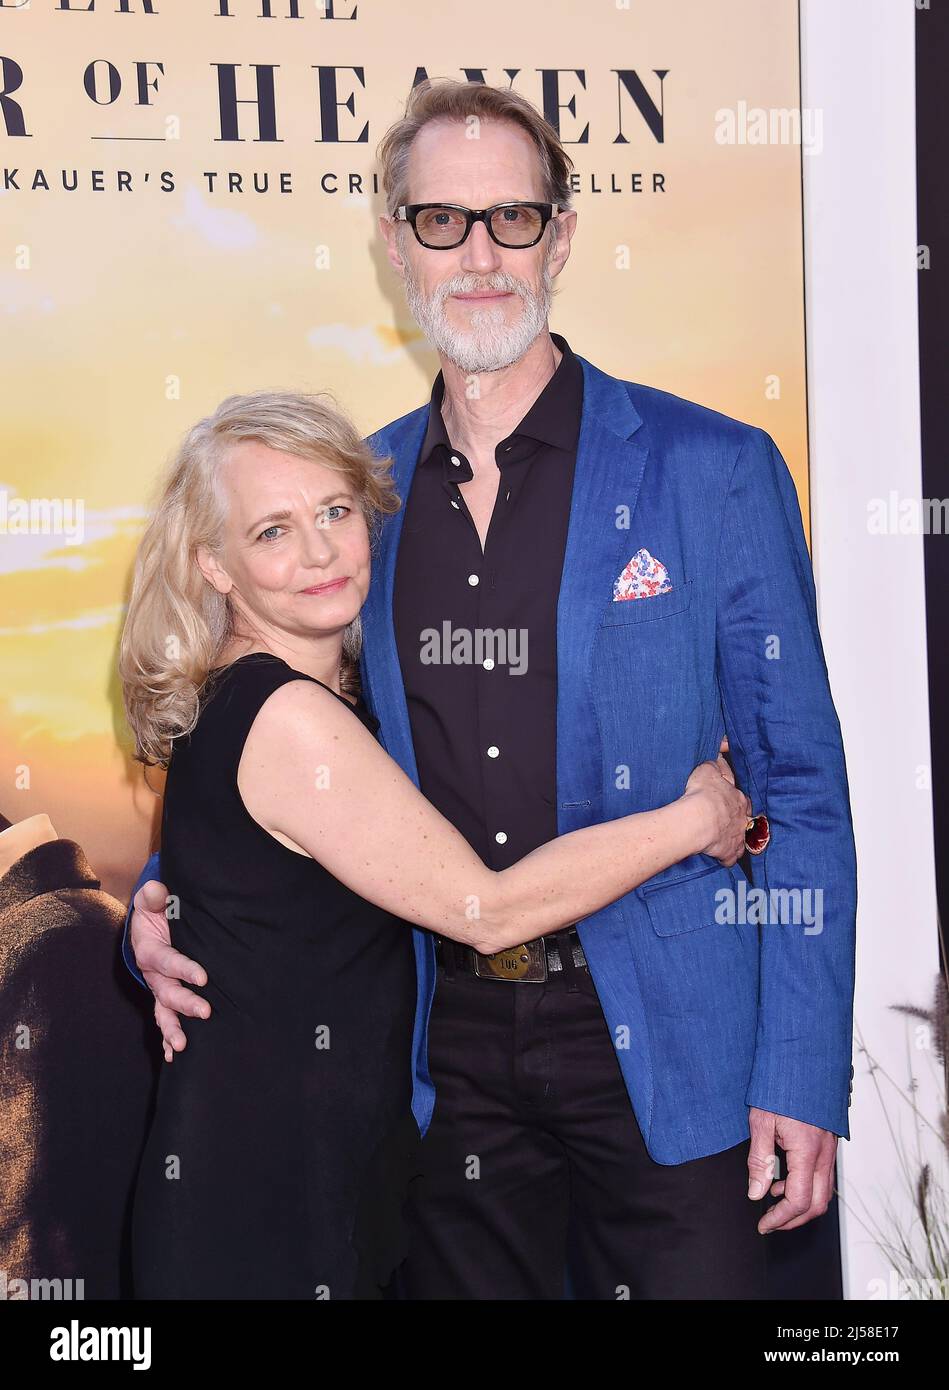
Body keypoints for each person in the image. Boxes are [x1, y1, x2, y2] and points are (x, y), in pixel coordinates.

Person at [125, 79, 857, 1301]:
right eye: (440, 221)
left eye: (511, 219)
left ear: (560, 236)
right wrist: (165, 899)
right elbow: (272, 727)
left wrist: (798, 1064)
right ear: (394, 243)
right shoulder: (359, 501)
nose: (477, 255)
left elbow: (801, 790)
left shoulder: (712, 469)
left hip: (680, 1044)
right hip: (443, 1064)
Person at [118, 391, 750, 1300]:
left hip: (314, 1179)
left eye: (334, 512)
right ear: (213, 566)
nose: (318, 552)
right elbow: (485, 910)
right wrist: (698, 818)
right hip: (264, 1204)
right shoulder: (291, 718)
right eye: (272, 532)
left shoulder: (306, 695)